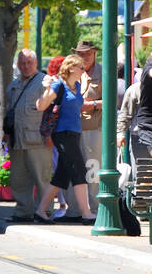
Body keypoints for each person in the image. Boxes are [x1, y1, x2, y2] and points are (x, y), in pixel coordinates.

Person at [34, 54, 97, 224]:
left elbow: (78, 103)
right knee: (79, 171)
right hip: (63, 133)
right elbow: (40, 106)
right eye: (81, 67)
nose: (84, 70)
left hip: (74, 133)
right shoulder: (58, 84)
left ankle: (40, 211)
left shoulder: (76, 85)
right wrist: (46, 89)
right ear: (71, 68)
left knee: (61, 177)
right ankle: (86, 213)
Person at [6, 49, 52, 222]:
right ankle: (22, 212)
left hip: (38, 140)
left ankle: (44, 211)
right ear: (18, 65)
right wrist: (7, 135)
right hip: (17, 140)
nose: (25, 66)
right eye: (22, 63)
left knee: (42, 178)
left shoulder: (44, 82)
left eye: (29, 63)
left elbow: (51, 112)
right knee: (19, 179)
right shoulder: (14, 85)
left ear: (36, 63)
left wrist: (49, 135)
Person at [70, 40, 103, 218]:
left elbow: (111, 102)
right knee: (76, 169)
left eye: (87, 53)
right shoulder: (74, 72)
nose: (84, 57)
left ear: (94, 54)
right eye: (81, 54)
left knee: (93, 168)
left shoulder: (103, 72)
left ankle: (95, 208)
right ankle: (77, 209)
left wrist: (91, 105)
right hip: (73, 129)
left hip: (93, 128)